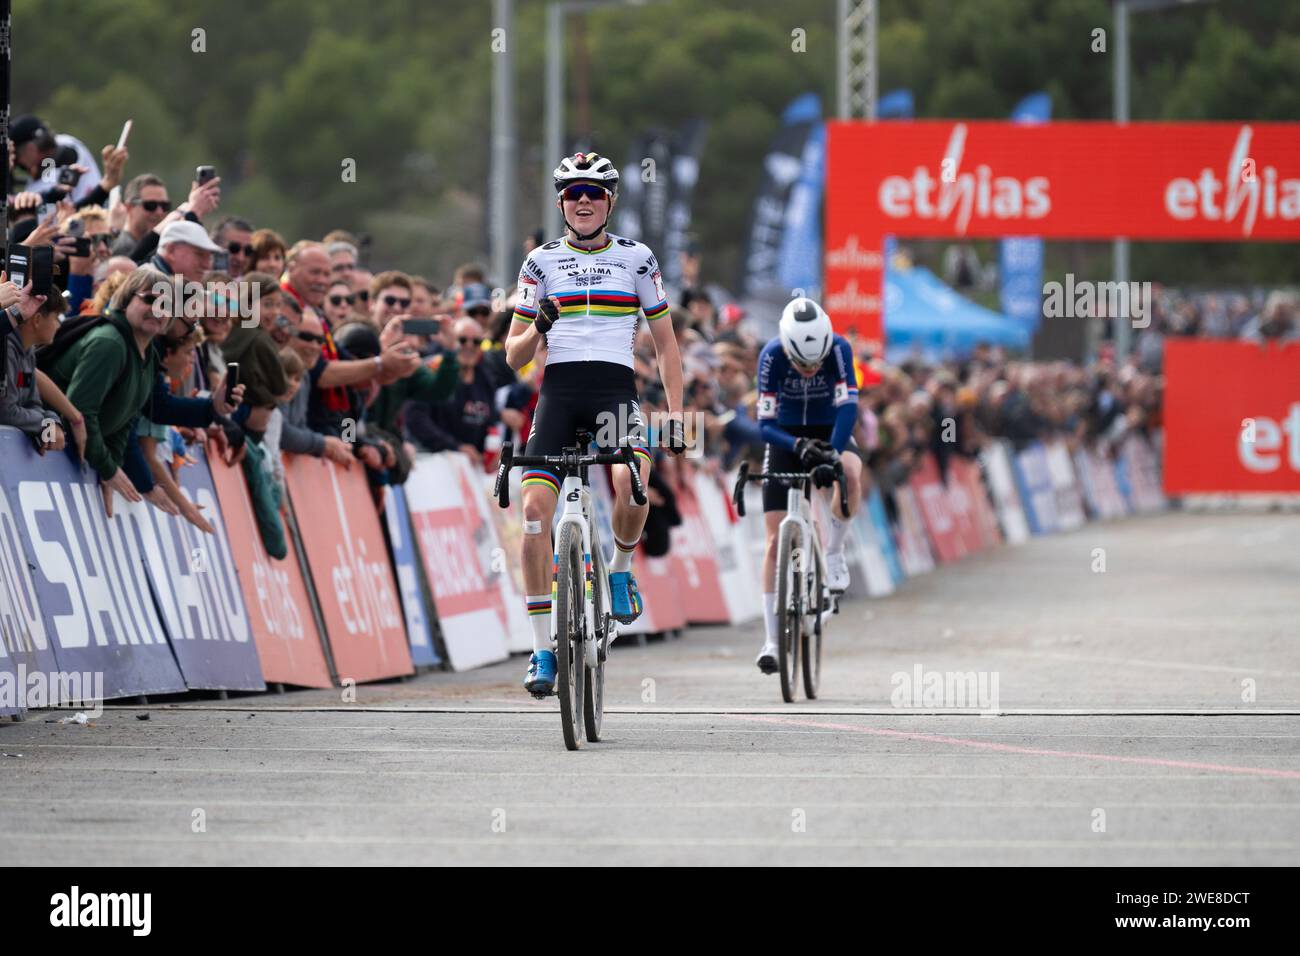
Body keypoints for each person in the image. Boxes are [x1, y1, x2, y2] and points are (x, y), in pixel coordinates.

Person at [504, 151, 685, 697]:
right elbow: (513, 359)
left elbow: (666, 343)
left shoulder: (637, 259)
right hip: (557, 398)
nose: (584, 200)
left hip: (613, 395)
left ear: (610, 202)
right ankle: (541, 649)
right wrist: (538, 326)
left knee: (632, 486)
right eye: (574, 192)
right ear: (561, 202)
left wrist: (675, 413)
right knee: (535, 514)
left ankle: (622, 567)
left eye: (595, 192)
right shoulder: (539, 262)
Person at [752, 297, 864, 675]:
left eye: (815, 363)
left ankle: (832, 552)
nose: (810, 369)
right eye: (802, 363)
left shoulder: (839, 348)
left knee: (850, 470)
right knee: (772, 541)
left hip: (829, 430)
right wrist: (798, 447)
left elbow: (849, 406)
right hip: (785, 438)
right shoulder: (770, 356)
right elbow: (764, 426)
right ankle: (771, 639)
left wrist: (831, 453)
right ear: (787, 347)